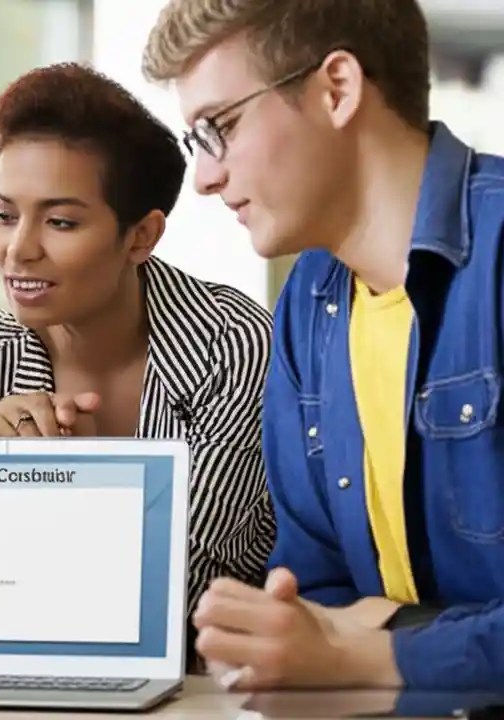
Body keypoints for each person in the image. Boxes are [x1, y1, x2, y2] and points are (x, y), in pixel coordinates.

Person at [145, 0, 504, 692]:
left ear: (337, 88)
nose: (205, 177)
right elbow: (319, 594)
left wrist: (370, 657)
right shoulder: (308, 306)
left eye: (220, 127)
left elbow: (343, 643)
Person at [0, 62, 275, 626]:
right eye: (5, 214)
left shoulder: (234, 344)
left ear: (140, 237)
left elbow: (178, 584)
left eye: (62, 223)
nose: (18, 250)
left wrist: (79, 481)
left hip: (210, 682)